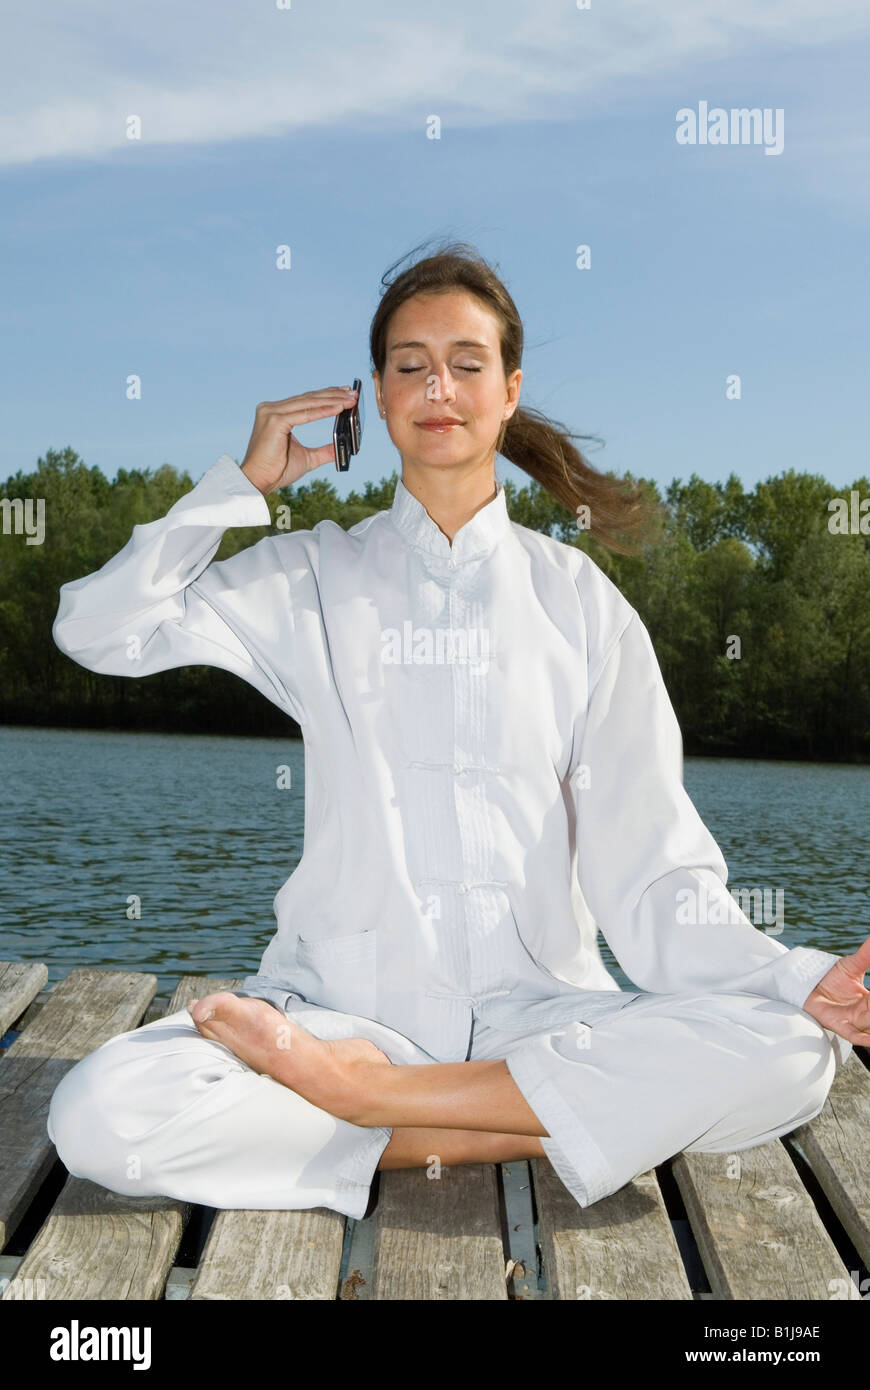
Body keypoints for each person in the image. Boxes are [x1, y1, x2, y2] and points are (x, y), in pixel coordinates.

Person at [46, 241, 870, 1221]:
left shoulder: (580, 605)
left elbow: (651, 878)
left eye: (468, 362)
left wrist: (797, 977)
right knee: (101, 1111)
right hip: (342, 1010)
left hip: (538, 1022)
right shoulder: (310, 575)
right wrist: (242, 490)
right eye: (410, 363)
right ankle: (497, 1119)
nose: (440, 384)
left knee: (790, 1053)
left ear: (510, 389)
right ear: (379, 398)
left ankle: (373, 1105)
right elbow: (99, 628)